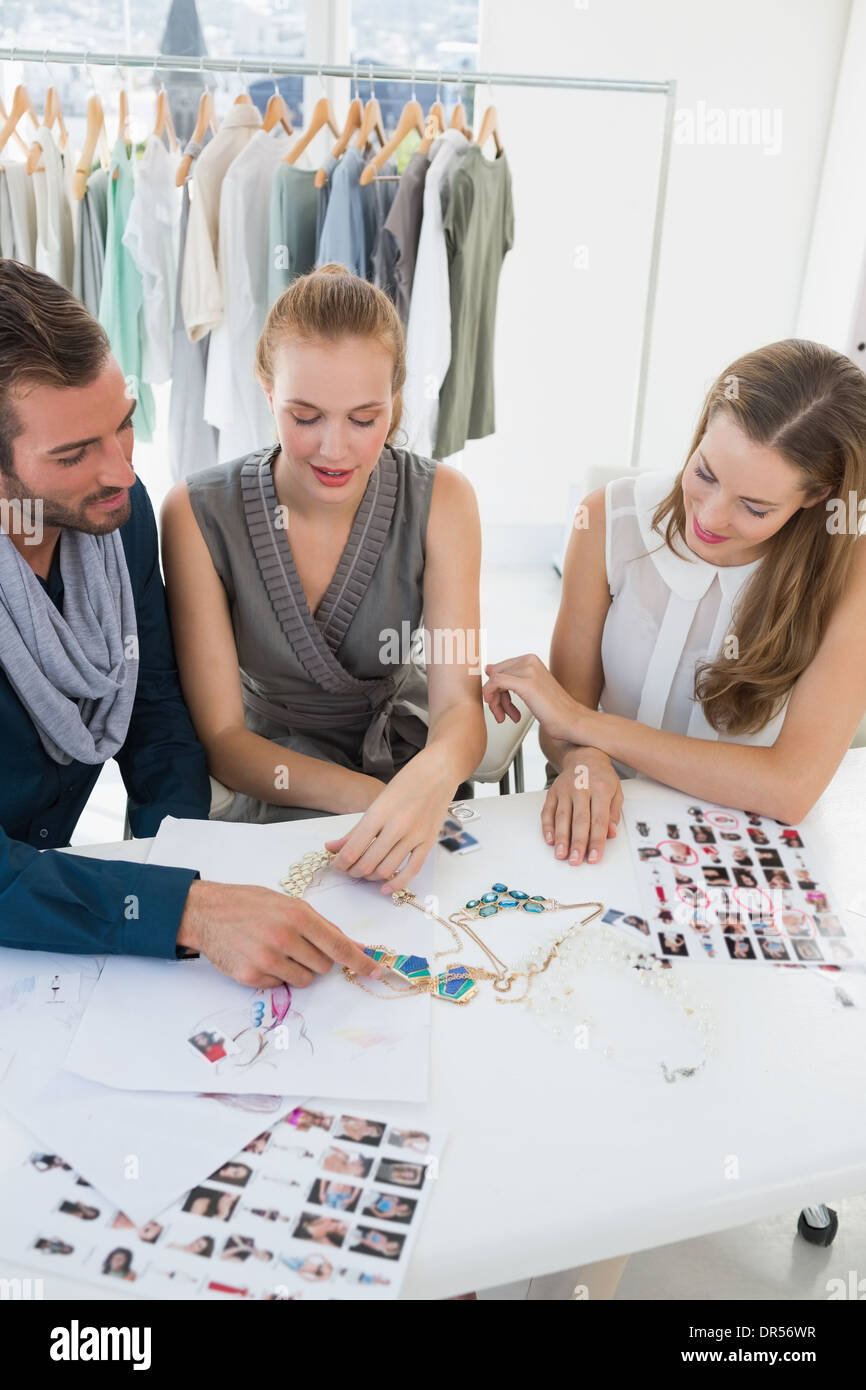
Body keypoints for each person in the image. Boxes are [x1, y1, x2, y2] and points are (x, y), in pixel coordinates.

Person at [0, 261, 382, 992]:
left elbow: (155, 714)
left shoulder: (118, 515)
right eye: (74, 454)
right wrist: (188, 910)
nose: (121, 470)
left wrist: (175, 861)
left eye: (124, 424)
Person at [161, 265, 486, 895]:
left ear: (396, 399)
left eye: (365, 419)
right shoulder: (197, 513)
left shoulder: (443, 499)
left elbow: (456, 705)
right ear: (265, 389)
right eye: (305, 416)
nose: (333, 450)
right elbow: (225, 739)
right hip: (270, 769)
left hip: (404, 753)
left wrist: (430, 778)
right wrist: (372, 799)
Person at [483, 340, 866, 863]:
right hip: (606, 832)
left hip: (748, 846)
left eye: (754, 508)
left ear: (817, 495)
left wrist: (588, 727)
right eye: (705, 473)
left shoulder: (849, 572)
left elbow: (790, 789)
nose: (708, 518)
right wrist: (584, 757)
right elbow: (562, 726)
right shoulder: (606, 520)